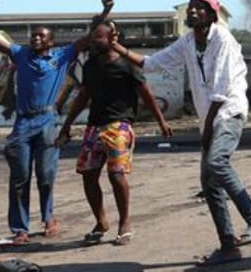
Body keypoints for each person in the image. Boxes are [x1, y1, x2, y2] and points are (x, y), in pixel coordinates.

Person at [113, 0, 251, 265]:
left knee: (217, 162)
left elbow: (221, 91)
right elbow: (152, 63)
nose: (195, 12)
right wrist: (117, 47)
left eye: (201, 8)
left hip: (228, 112)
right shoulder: (187, 42)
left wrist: (207, 128)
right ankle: (228, 246)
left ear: (212, 15)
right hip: (209, 118)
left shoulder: (223, 39)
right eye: (193, 8)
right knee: (209, 184)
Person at [0, 0, 112, 247]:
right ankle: (20, 229)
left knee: (46, 175)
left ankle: (49, 218)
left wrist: (104, 12)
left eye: (41, 35)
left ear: (51, 41)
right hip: (23, 124)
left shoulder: (62, 55)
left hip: (48, 122)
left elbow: (89, 37)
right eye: (34, 35)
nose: (36, 38)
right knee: (20, 178)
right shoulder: (20, 54)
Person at [57, 20, 171, 245]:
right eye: (91, 38)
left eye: (97, 38)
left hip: (119, 125)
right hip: (94, 125)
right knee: (88, 175)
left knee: (116, 175)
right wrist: (67, 123)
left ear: (112, 38)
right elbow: (84, 96)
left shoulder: (127, 65)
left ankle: (124, 223)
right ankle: (101, 222)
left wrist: (161, 121)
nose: (92, 41)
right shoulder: (90, 65)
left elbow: (146, 93)